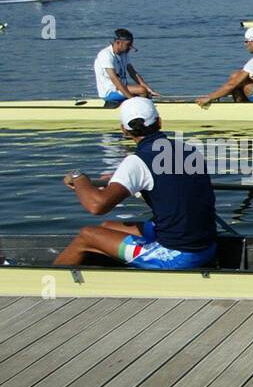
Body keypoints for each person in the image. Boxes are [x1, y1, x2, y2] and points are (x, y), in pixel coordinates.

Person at [54, 97, 217, 269]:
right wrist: (117, 180)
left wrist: (79, 177)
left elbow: (96, 206)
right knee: (108, 227)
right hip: (207, 245)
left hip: (179, 256)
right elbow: (168, 185)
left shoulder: (137, 161)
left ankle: (49, 281)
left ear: (124, 130)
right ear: (160, 122)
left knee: (86, 235)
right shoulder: (188, 150)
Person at [94, 28, 157, 103]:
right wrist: (131, 99)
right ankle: (140, 107)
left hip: (121, 89)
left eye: (131, 44)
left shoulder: (124, 53)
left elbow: (133, 73)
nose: (131, 48)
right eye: (128, 45)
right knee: (141, 90)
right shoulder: (105, 55)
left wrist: (149, 90)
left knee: (145, 90)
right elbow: (114, 79)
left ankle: (144, 103)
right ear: (118, 42)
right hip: (109, 92)